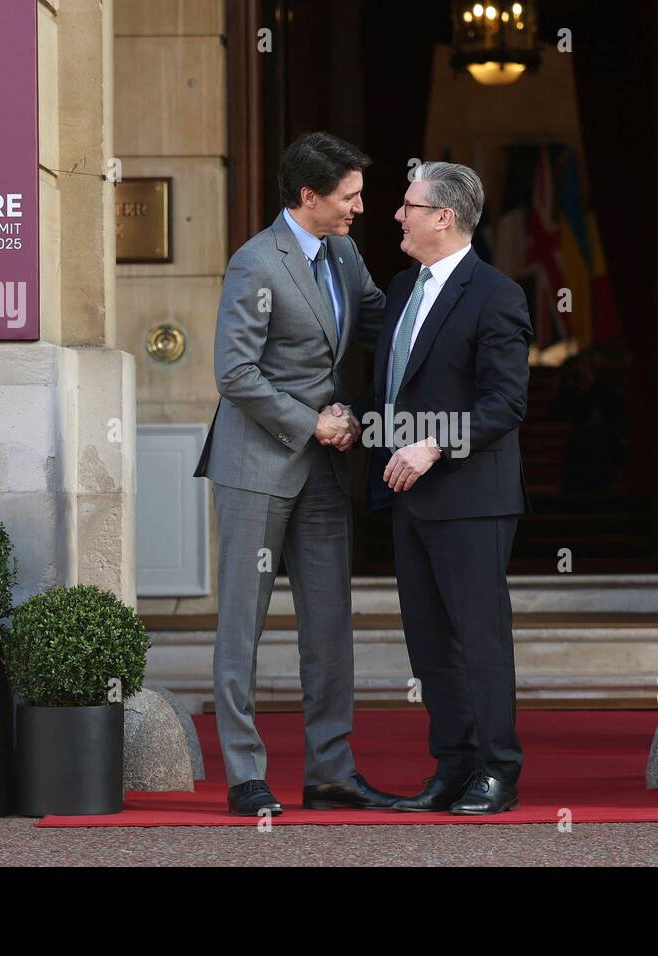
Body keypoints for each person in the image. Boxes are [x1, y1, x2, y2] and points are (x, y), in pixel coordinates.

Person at [194, 131, 392, 816]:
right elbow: (236, 373)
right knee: (241, 626)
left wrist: (451, 300)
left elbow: (377, 323)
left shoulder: (343, 251)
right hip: (258, 464)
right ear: (309, 197)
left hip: (326, 472)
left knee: (330, 626)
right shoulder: (255, 262)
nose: (360, 208)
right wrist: (312, 422)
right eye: (350, 197)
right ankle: (245, 775)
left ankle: (331, 771)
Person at [350, 162, 532, 814]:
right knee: (428, 641)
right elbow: (394, 389)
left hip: (472, 498)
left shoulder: (496, 294)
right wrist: (356, 418)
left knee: (478, 637)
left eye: (408, 206)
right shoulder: (402, 287)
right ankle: (453, 768)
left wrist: (433, 444)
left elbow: (505, 404)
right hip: (411, 499)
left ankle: (496, 771)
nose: (397, 215)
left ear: (444, 218)